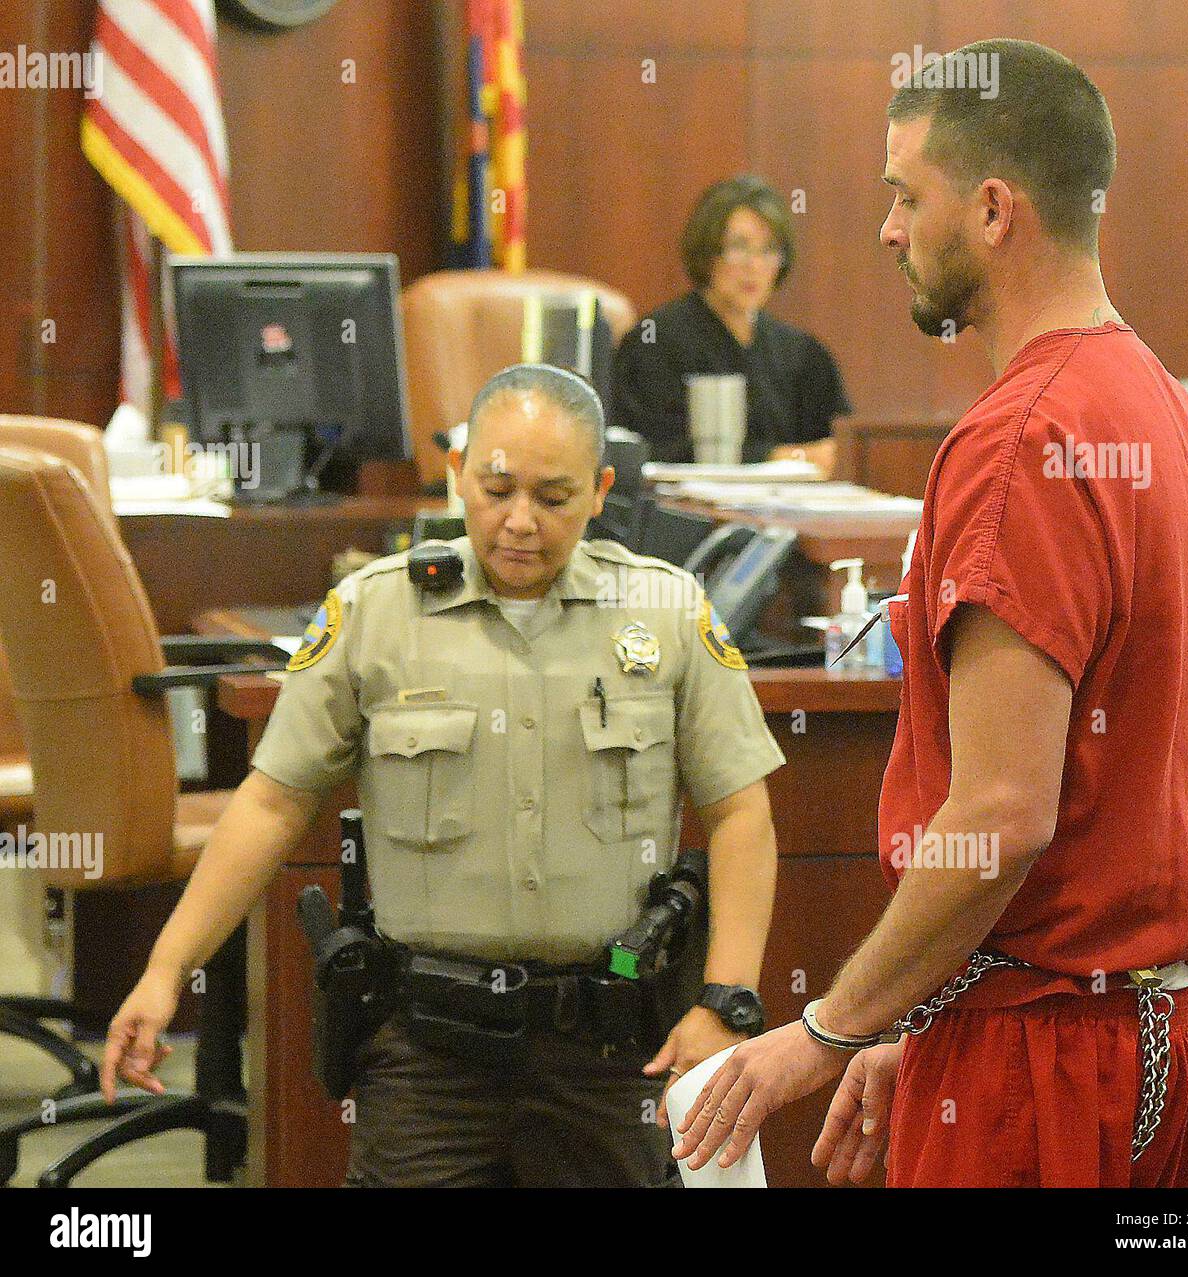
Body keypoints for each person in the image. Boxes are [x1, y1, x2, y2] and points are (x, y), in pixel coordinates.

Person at [673, 39, 1188, 1189]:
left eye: (902, 195)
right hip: (1155, 1038)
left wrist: (826, 1026)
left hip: (1036, 1063)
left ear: (990, 210)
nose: (887, 229)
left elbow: (1003, 811)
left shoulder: (1019, 437)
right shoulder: (1157, 402)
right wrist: (924, 1010)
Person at [101, 363, 786, 1188]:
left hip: (610, 1048)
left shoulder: (668, 615)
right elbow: (273, 802)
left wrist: (727, 999)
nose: (520, 521)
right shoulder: (375, 613)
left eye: (554, 496)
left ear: (602, 490)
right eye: (495, 488)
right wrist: (166, 969)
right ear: (458, 470)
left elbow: (742, 813)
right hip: (427, 1052)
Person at [611, 174, 851, 473]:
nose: (754, 265)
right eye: (739, 247)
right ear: (707, 252)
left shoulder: (803, 353)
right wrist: (772, 457)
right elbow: (647, 451)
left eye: (768, 250)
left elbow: (835, 445)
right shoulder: (653, 341)